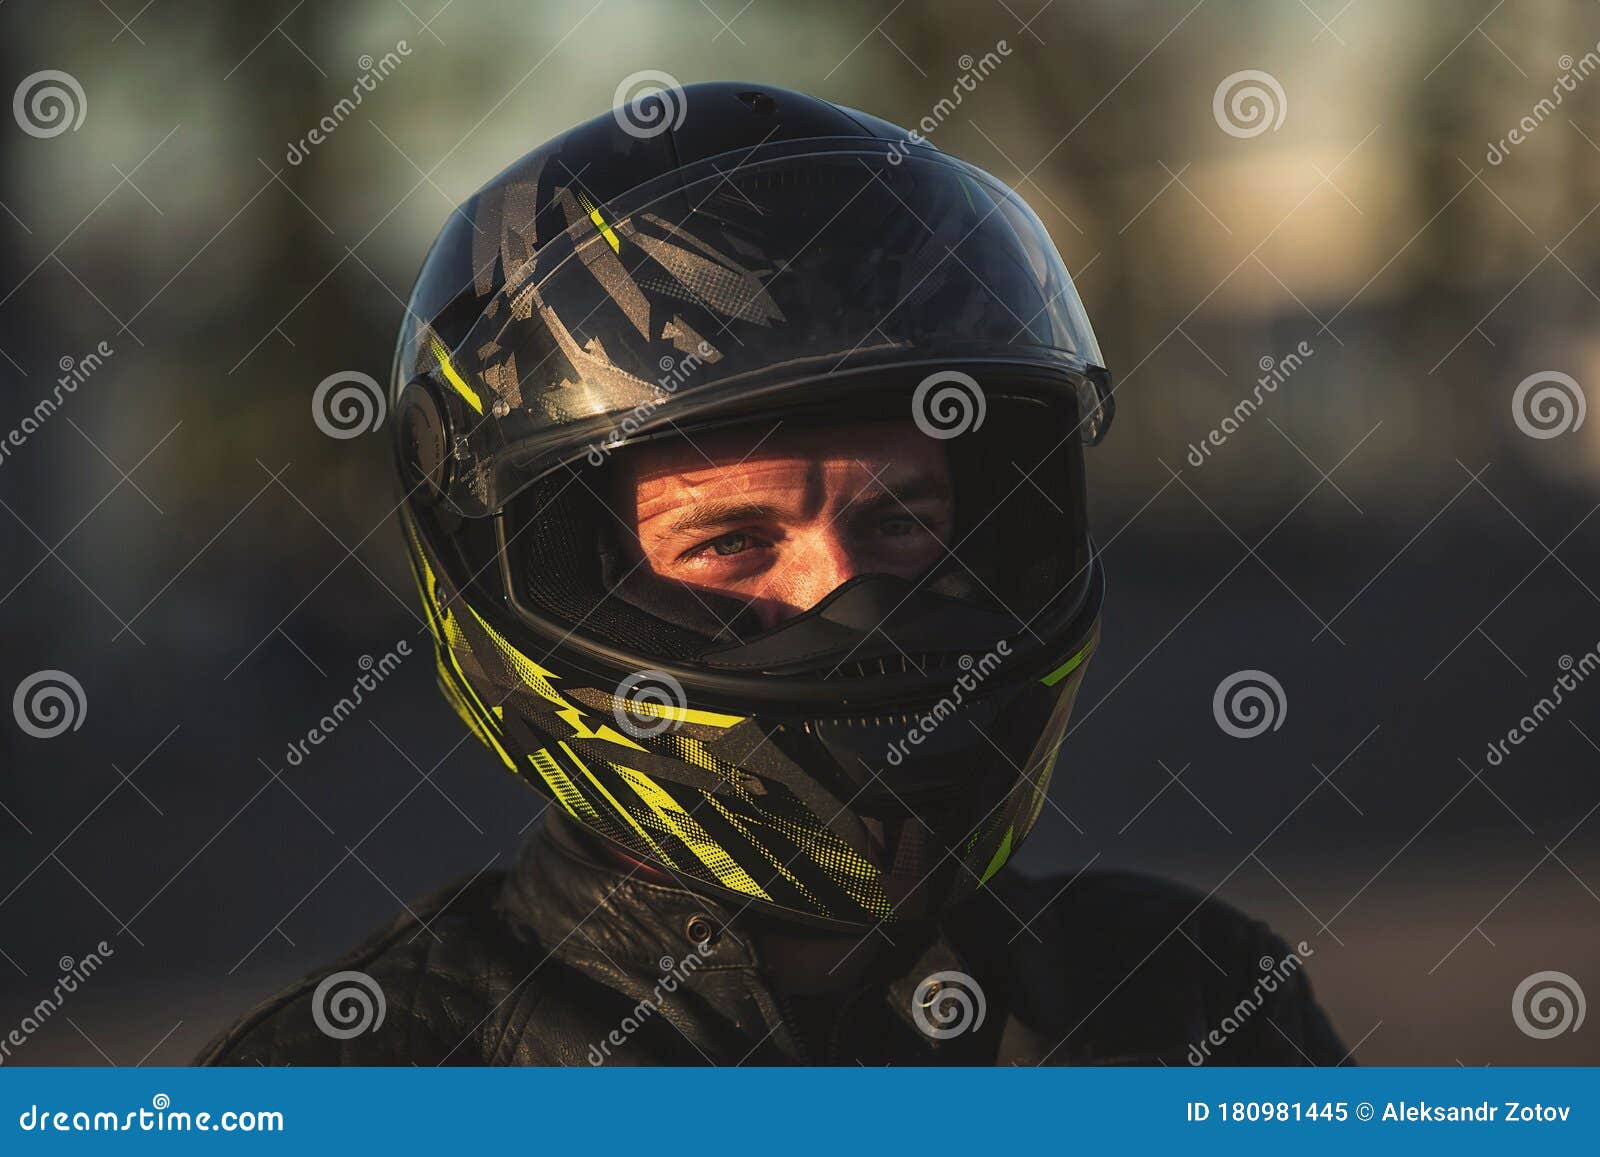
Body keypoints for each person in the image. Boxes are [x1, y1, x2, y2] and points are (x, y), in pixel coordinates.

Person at [199, 82, 1345, 1066]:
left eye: (900, 521)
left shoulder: (1190, 999)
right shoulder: (371, 1073)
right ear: (549, 581)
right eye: (734, 541)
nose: (844, 595)